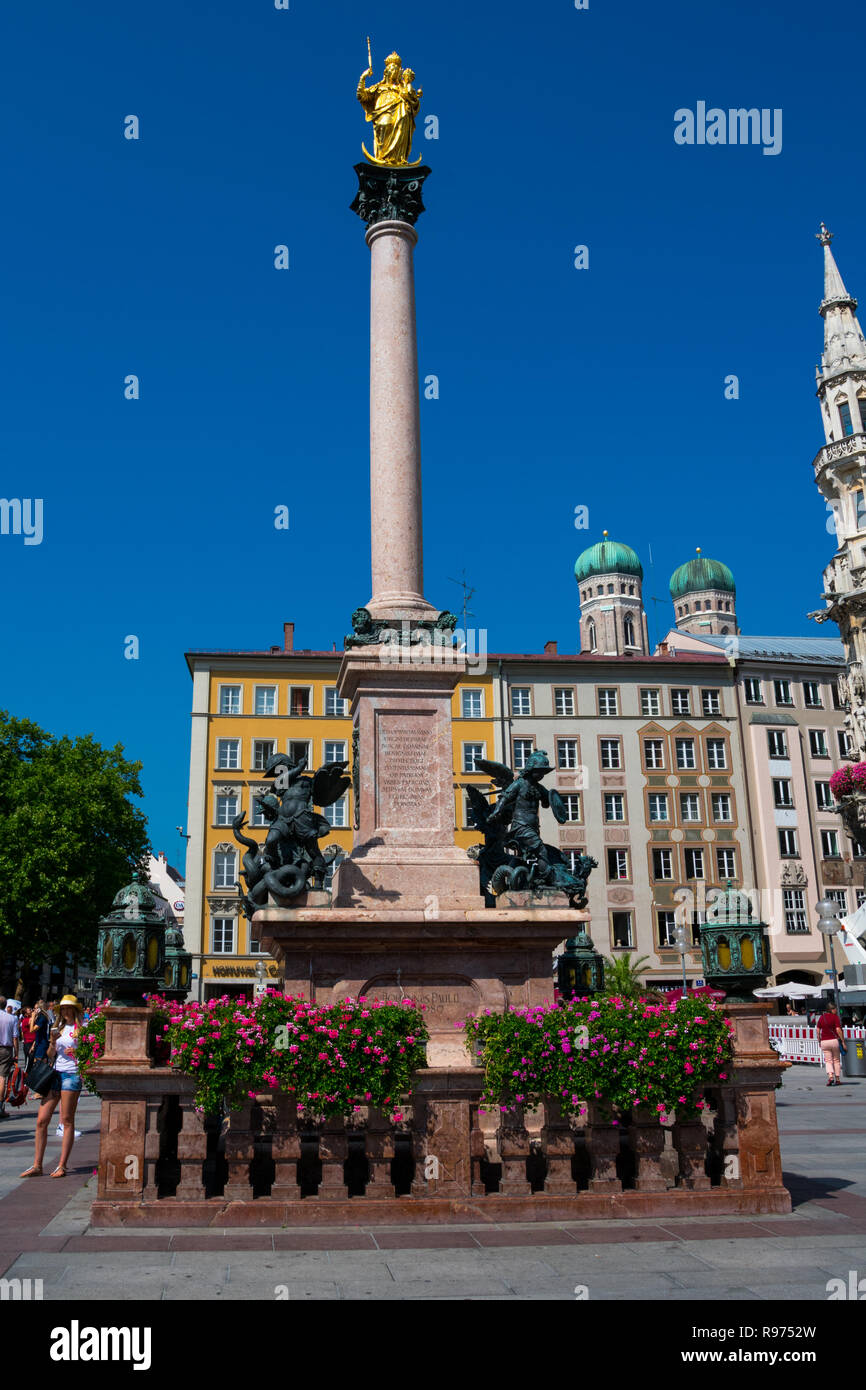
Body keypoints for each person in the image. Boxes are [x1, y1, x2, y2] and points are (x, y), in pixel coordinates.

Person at [19, 995, 84, 1177]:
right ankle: (37, 1165)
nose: (65, 1011)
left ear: (74, 1010)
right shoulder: (58, 1028)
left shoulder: (82, 1028)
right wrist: (53, 1042)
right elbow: (50, 1054)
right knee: (41, 1120)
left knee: (67, 1119)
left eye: (68, 1008)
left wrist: (78, 1051)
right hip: (55, 1073)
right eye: (62, 1009)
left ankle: (62, 1165)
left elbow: (87, 1052)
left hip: (72, 1074)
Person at [0, 998, 20, 1119]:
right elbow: (15, 1037)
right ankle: (0, 1106)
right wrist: (16, 1053)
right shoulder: (12, 1018)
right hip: (5, 1049)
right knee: (2, 1077)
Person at [817, 1004, 845, 1086]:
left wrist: (819, 1039)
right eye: (835, 1008)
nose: (836, 1010)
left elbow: (818, 1029)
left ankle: (830, 1077)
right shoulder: (835, 1017)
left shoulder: (822, 1017)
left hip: (824, 1042)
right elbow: (838, 1029)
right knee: (836, 1060)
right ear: (831, 1009)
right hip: (834, 1040)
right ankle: (838, 1079)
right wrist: (843, 1041)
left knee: (828, 1061)